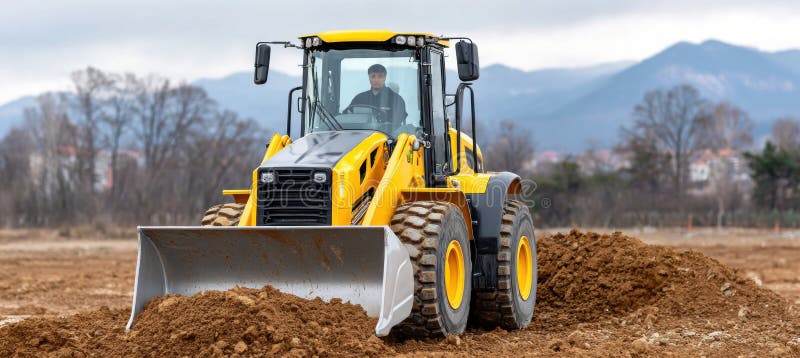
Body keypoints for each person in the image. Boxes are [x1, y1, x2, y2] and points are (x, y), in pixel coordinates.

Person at [347, 64, 407, 128]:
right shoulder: (359, 98)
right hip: (362, 135)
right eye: (373, 76)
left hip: (387, 136)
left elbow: (398, 122)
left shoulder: (396, 99)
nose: (376, 80)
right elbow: (347, 116)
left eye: (380, 76)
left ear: (385, 78)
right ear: (369, 78)